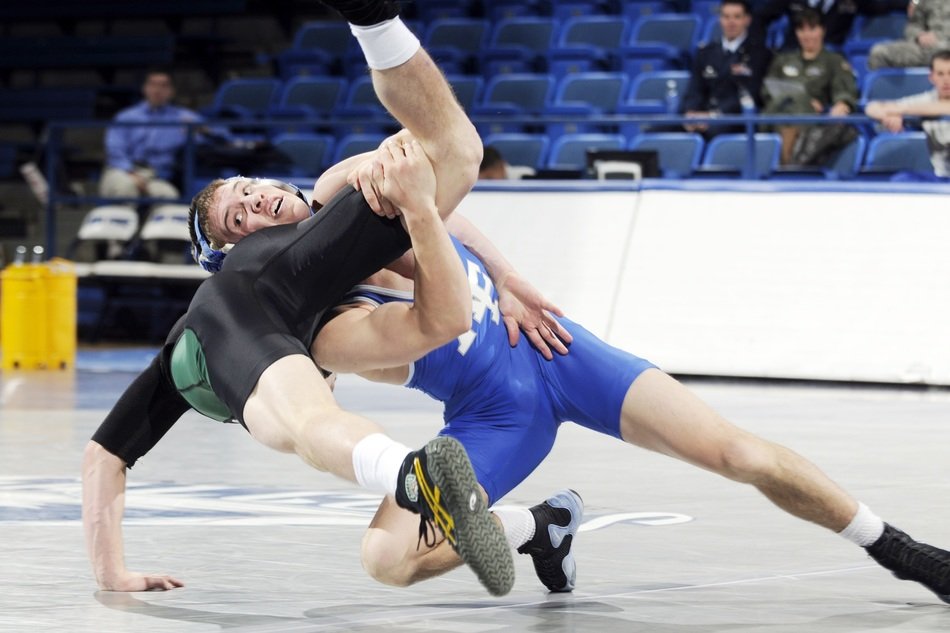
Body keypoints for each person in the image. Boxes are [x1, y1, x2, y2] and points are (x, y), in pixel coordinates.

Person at [299, 173, 950, 602]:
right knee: (387, 557)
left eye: (256, 190)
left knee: (738, 453)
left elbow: (440, 206)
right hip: (495, 416)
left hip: (557, 351)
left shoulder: (344, 203)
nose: (256, 202)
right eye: (248, 213)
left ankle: (895, 547)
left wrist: (505, 276)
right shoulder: (328, 326)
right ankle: (539, 526)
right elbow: (420, 319)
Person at [82, 2, 527, 597]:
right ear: (235, 249)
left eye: (247, 190)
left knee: (306, 431)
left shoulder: (313, 258)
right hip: (252, 332)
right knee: (455, 154)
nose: (253, 204)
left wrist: (110, 574)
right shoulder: (310, 228)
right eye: (237, 218)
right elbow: (435, 166)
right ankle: (374, 20)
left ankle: (442, 487)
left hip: (241, 372)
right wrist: (407, 180)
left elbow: (104, 456)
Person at [761, 8, 859, 165]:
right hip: (778, 114)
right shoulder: (783, 60)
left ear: (822, 31)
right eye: (802, 30)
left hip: (810, 121)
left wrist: (842, 104)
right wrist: (799, 98)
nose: (807, 35)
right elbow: (767, 90)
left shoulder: (833, 61)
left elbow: (844, 90)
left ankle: (787, 167)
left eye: (812, 29)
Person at [99, 68, 199, 208]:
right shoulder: (126, 117)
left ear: (171, 91)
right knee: (127, 188)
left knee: (169, 196)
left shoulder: (182, 118)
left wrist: (201, 130)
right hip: (122, 171)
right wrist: (131, 173)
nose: (157, 90)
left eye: (163, 86)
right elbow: (115, 151)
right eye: (153, 85)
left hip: (154, 176)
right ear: (145, 88)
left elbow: (220, 132)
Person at [682, 0, 772, 139]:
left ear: (747, 20)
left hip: (735, 119)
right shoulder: (705, 52)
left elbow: (752, 93)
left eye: (737, 17)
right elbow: (695, 88)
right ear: (720, 19)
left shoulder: (760, 54)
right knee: (659, 130)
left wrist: (714, 115)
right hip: (702, 115)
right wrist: (691, 112)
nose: (731, 22)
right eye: (726, 16)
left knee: (713, 132)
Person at [864, 48, 950, 179]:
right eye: (940, 74)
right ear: (931, 77)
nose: (946, 80)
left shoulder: (918, 106)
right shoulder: (926, 100)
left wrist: (900, 110)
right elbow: (871, 107)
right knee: (901, 179)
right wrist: (888, 116)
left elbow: (944, 108)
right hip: (941, 174)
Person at [750, 0, 908, 52]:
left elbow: (883, 5)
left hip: (831, 55)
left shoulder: (851, 1)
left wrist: (914, 2)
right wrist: (759, 47)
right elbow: (760, 16)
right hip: (793, 53)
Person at [868, 0, 950, 69]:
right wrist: (919, 35)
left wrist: (941, 36)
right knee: (879, 53)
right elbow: (913, 25)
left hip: (945, 45)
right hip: (927, 48)